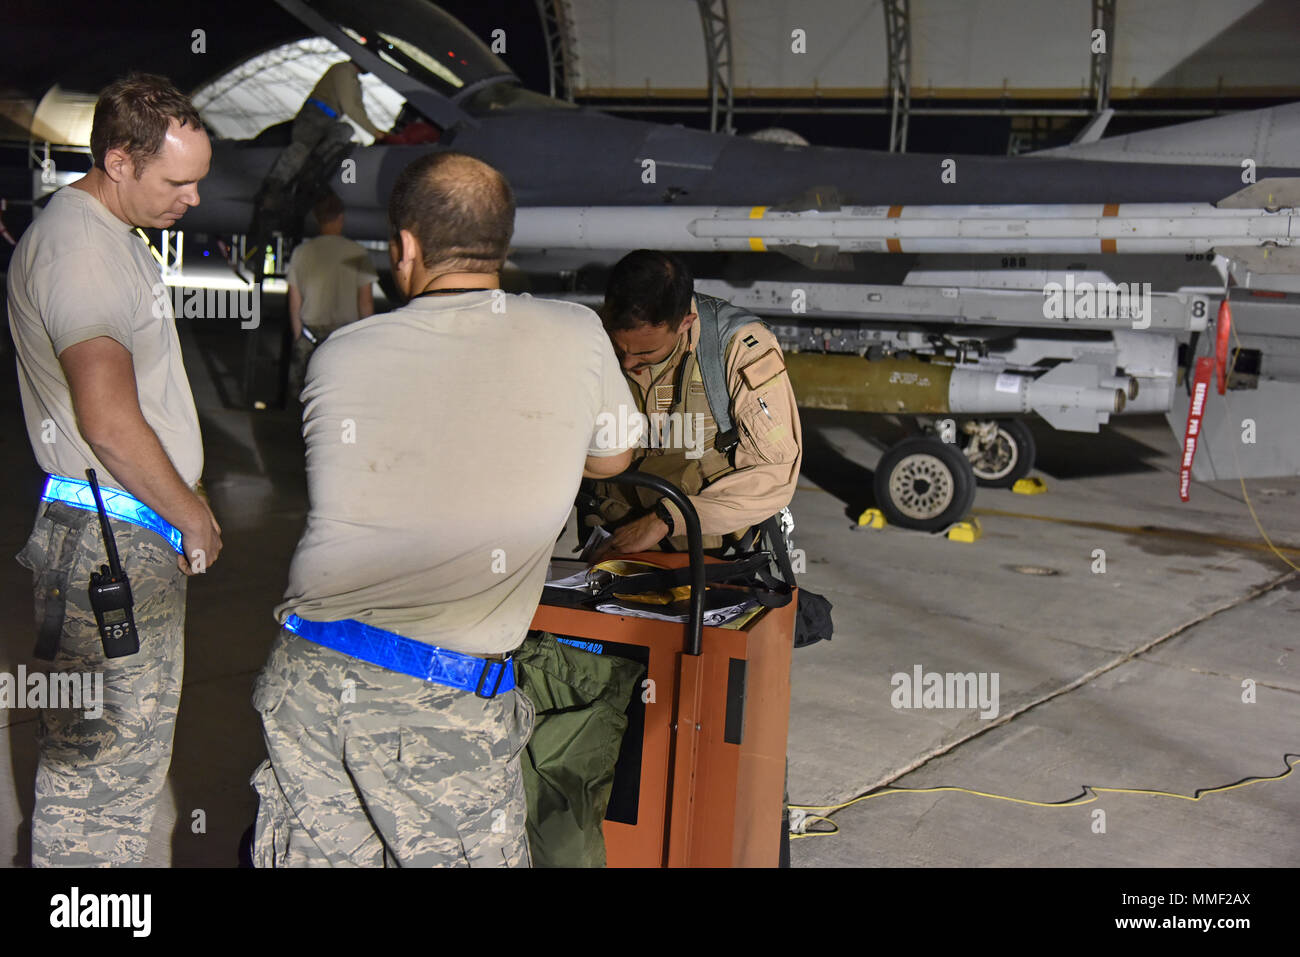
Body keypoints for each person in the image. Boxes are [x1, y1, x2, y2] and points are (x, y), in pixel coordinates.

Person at [249, 151, 637, 867]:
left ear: (406, 248)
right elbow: (613, 458)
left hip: (307, 677)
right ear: (502, 246)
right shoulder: (576, 335)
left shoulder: (337, 355)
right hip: (440, 700)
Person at [6, 72, 222, 866]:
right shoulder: (80, 251)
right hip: (110, 535)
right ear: (118, 161)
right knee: (101, 781)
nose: (193, 199)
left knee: (116, 768)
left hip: (119, 532)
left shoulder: (110, 241)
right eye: (178, 181)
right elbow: (106, 415)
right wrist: (192, 513)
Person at [587, 249, 802, 557]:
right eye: (621, 350)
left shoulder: (740, 347)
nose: (629, 363)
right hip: (614, 538)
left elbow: (774, 475)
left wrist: (667, 519)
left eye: (646, 354)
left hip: (709, 553)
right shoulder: (589, 336)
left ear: (685, 323)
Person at [247, 60, 390, 256]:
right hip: (314, 117)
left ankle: (313, 171)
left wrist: (377, 133)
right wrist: (377, 133)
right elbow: (351, 107)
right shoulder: (343, 71)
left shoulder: (355, 81)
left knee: (344, 132)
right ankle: (274, 187)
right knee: (300, 149)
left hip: (330, 121)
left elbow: (357, 108)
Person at [285, 192, 377, 397]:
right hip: (345, 338)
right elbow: (366, 303)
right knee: (343, 396)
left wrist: (299, 335)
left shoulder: (301, 252)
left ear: (317, 219)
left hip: (310, 337)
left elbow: (294, 301)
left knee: (305, 399)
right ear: (341, 218)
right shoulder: (358, 253)